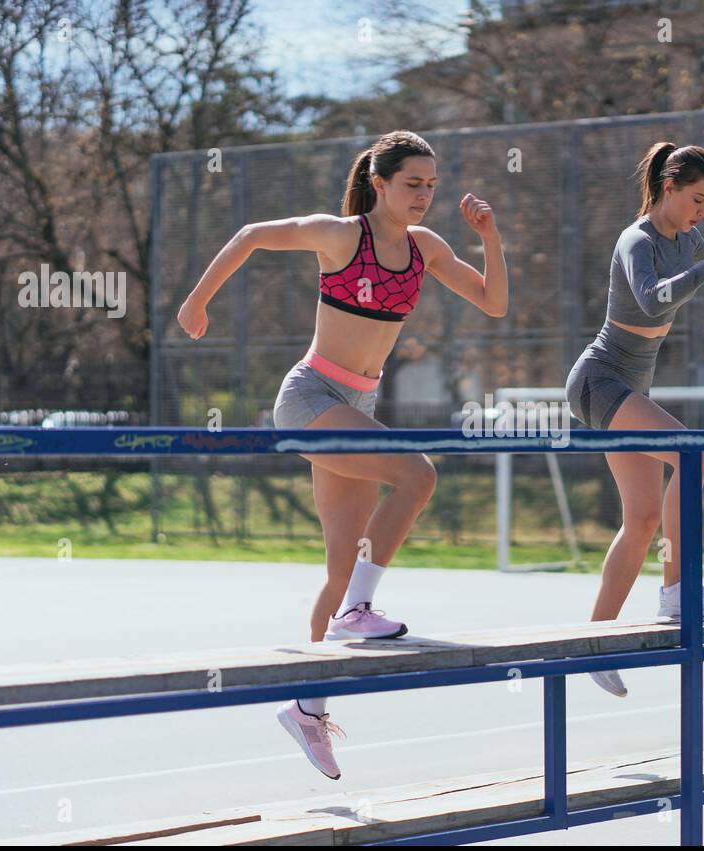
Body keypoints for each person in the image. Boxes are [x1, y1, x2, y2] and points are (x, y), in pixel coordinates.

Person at [175, 130, 508, 778]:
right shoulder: (339, 235)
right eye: (412, 183)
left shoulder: (426, 249)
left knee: (340, 570)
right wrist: (197, 300)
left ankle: (306, 707)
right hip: (309, 396)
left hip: (357, 407)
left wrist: (490, 236)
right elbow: (249, 234)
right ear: (378, 183)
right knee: (418, 474)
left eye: (432, 185)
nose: (424, 195)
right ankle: (360, 611)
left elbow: (493, 302)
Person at [565, 140, 704, 698]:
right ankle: (675, 590)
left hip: (629, 384)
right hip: (601, 381)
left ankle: (594, 642)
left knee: (641, 521)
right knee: (693, 451)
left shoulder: (685, 236)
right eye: (697, 199)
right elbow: (653, 300)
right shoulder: (636, 240)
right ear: (668, 189)